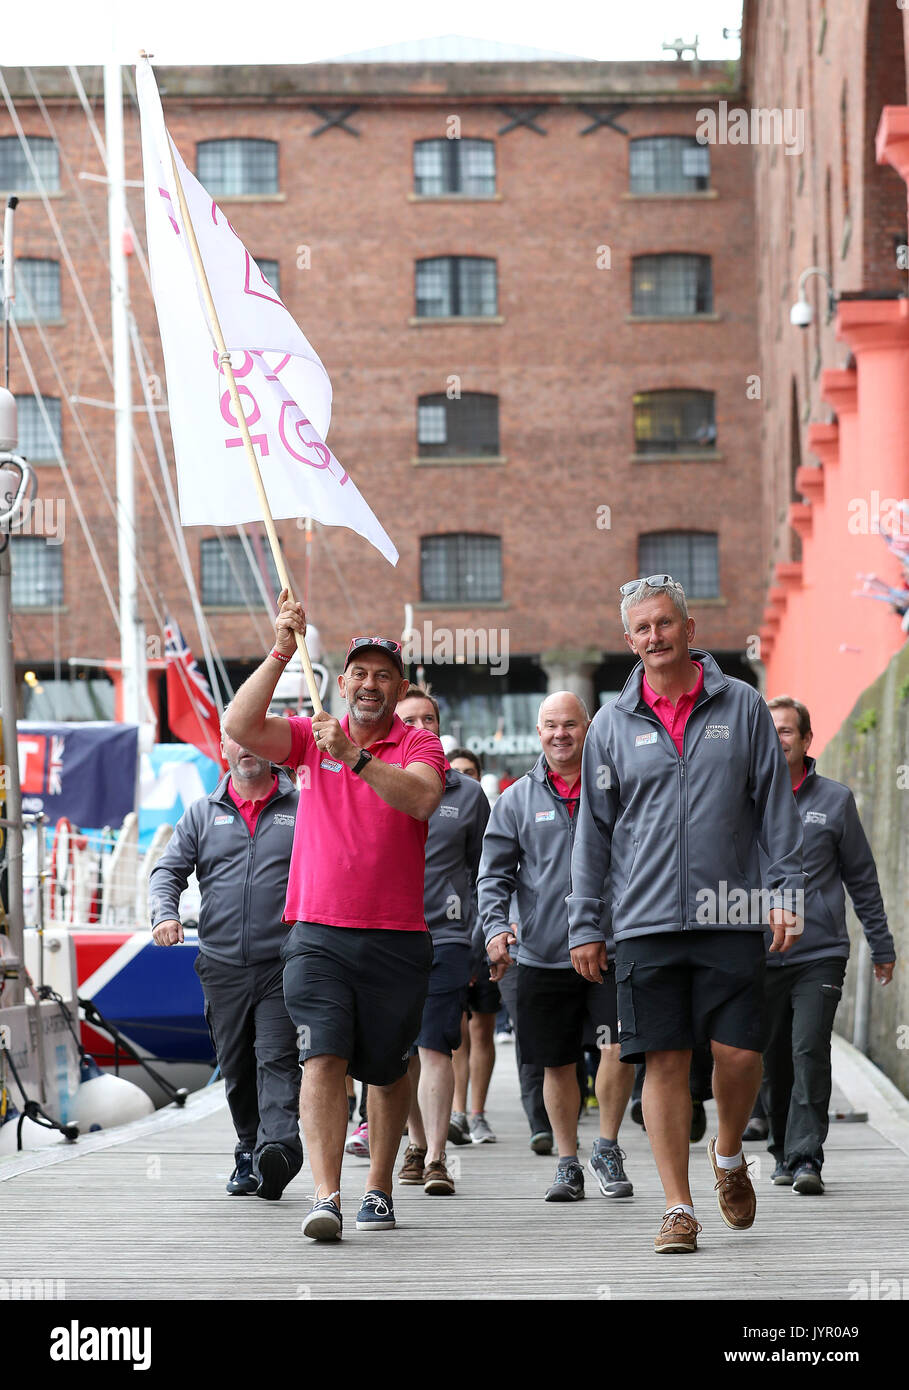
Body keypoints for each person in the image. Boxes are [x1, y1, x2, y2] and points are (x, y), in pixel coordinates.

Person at [568, 575, 805, 1254]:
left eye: (664, 623)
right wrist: (586, 921)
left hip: (730, 914)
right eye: (641, 628)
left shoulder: (744, 707)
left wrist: (785, 891)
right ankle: (677, 1207)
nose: (654, 636)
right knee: (663, 1063)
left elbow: (775, 809)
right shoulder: (610, 726)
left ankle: (727, 1152)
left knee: (737, 1054)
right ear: (628, 641)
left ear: (689, 629)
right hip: (642, 924)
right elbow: (594, 833)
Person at [223, 604, 445, 1241]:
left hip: (398, 936)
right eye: (360, 673)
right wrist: (280, 652)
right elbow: (239, 724)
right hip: (317, 931)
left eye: (384, 675)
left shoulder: (417, 743)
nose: (371, 683)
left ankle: (378, 1188)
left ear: (400, 690)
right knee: (321, 1057)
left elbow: (423, 798)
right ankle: (327, 1196)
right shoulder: (307, 733)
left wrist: (353, 757)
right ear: (342, 683)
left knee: (387, 1066)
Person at [479, 691, 634, 1203]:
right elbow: (493, 875)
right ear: (539, 731)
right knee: (556, 1061)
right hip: (543, 952)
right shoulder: (515, 798)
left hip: (612, 946)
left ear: (588, 728)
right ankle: (568, 1162)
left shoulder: (617, 786)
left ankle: (607, 1147)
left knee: (619, 1047)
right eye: (550, 725)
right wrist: (495, 927)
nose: (560, 734)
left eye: (570, 724)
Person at [150, 729, 302, 1201]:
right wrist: (166, 913)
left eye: (255, 736)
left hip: (283, 961)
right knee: (236, 1066)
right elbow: (166, 871)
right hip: (220, 965)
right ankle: (248, 1148)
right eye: (236, 738)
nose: (246, 747)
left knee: (277, 1058)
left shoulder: (303, 807)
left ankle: (278, 1150)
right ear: (223, 750)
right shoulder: (201, 812)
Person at [762, 695, 896, 1193]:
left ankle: (805, 1159)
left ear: (806, 740)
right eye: (770, 731)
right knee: (769, 1058)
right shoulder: (743, 799)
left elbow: (862, 878)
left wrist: (880, 945)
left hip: (819, 952)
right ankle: (779, 1148)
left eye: (787, 731)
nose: (779, 740)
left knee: (809, 1049)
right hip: (759, 952)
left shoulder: (834, 800)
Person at [394, 687, 491, 1188]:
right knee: (398, 1051)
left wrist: (479, 934)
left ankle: (435, 1158)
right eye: (410, 718)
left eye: (428, 718)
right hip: (387, 936)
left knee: (435, 1045)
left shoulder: (469, 795)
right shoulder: (378, 781)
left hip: (448, 938)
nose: (421, 727)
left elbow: (484, 872)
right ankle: (413, 1142)